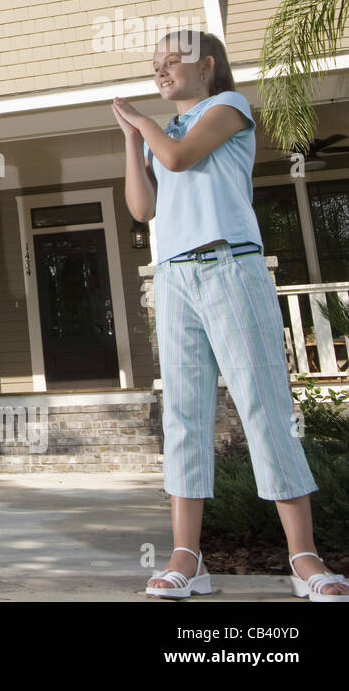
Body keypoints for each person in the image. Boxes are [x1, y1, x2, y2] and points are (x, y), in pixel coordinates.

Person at [113, 30, 348, 601]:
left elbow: (180, 156)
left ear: (207, 66)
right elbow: (142, 209)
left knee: (263, 405)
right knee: (184, 415)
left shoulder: (227, 108)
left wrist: (143, 124)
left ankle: (305, 559)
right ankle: (187, 559)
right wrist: (130, 139)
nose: (162, 69)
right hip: (172, 276)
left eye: (173, 59)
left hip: (229, 266)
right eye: (155, 63)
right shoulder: (157, 132)